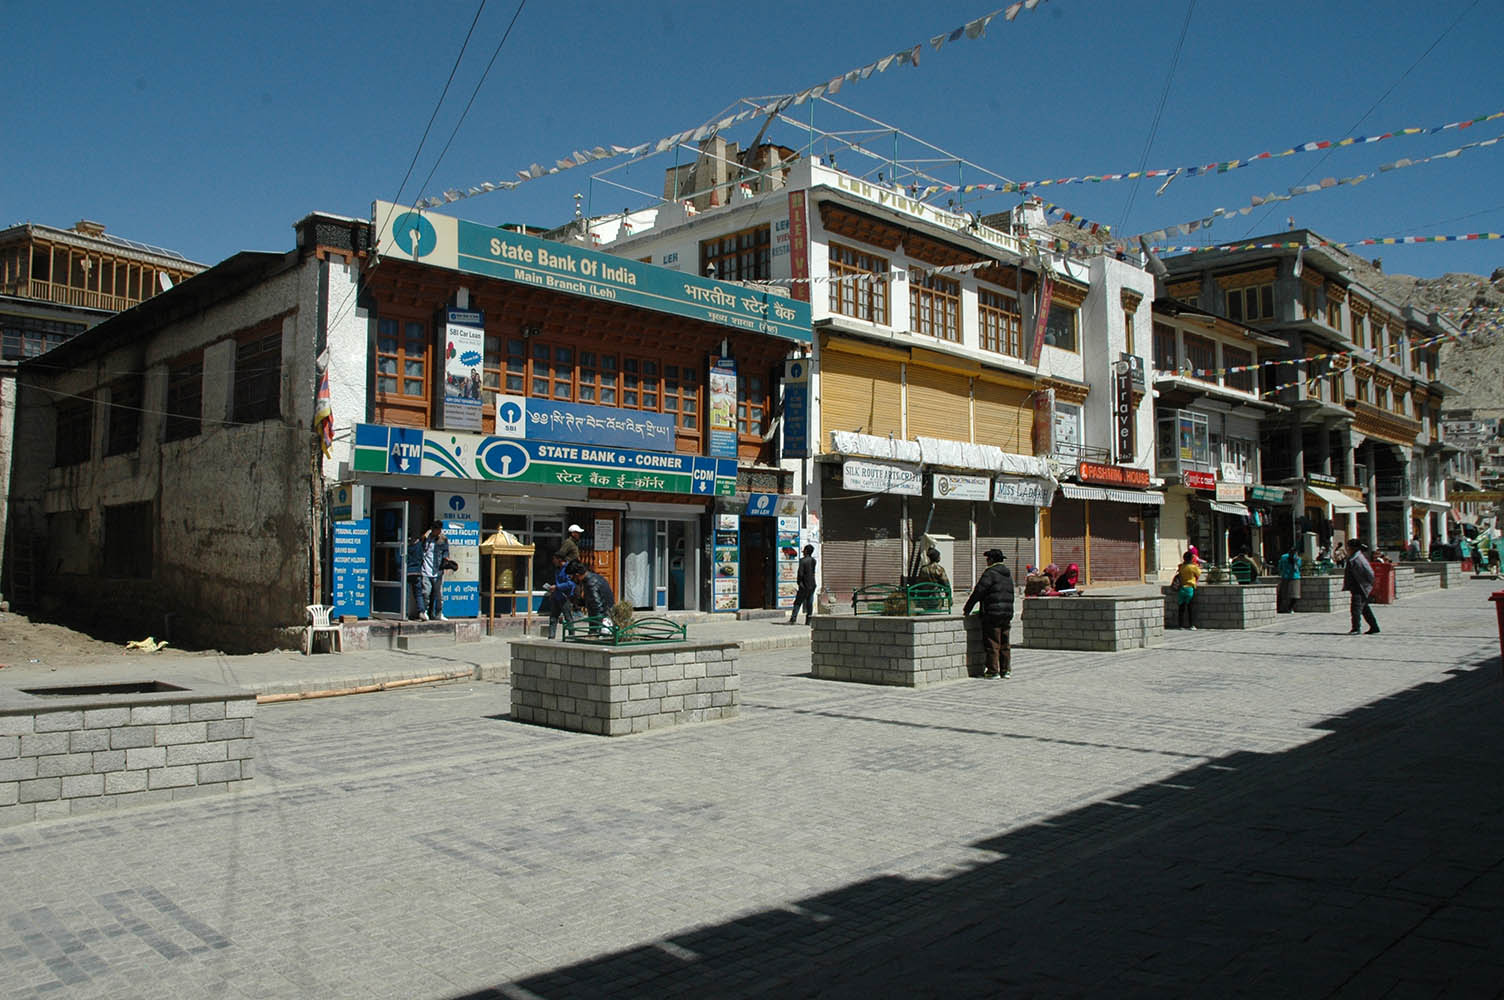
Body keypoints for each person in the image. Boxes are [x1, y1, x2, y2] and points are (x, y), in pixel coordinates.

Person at [962, 549, 1015, 679]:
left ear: (991, 560)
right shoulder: (1007, 574)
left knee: (992, 642)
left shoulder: (990, 573)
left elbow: (979, 591)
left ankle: (993, 671)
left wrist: (967, 609)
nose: (986, 561)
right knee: (1005, 642)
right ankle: (1005, 670)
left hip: (993, 613)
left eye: (987, 559)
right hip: (1007, 613)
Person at [407, 520, 450, 622]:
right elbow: (418, 546)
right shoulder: (426, 539)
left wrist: (446, 559)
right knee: (426, 592)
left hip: (438, 571)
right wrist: (424, 536)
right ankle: (424, 612)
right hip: (426, 570)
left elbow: (446, 551)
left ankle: (439, 613)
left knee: (439, 594)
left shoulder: (443, 539)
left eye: (439, 530)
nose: (438, 532)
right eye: (436, 530)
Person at [1342, 538, 1380, 635]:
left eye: (1348, 547)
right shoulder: (1354, 558)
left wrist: (1368, 585)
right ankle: (1374, 627)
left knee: (1356, 608)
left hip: (1360, 587)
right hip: (1357, 586)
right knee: (1364, 608)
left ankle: (1356, 628)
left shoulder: (1358, 559)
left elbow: (1370, 573)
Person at [566, 559, 615, 634]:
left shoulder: (591, 584)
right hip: (605, 615)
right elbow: (591, 601)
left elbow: (597, 607)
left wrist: (595, 631)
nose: (571, 580)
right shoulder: (594, 578)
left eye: (571, 577)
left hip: (602, 620)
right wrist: (576, 601)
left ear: (577, 575)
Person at [542, 552, 576, 639]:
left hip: (565, 598)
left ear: (559, 559)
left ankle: (571, 636)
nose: (553, 561)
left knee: (568, 617)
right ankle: (551, 636)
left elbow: (571, 584)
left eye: (555, 559)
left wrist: (557, 587)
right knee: (553, 617)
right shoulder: (558, 569)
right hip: (556, 597)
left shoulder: (569, 569)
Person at [789, 544, 817, 625]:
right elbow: (813, 572)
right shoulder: (814, 561)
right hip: (812, 584)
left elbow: (800, 573)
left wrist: (799, 583)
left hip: (804, 585)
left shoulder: (802, 561)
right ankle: (808, 620)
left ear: (806, 551)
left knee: (798, 602)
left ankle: (793, 619)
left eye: (804, 550)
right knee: (809, 603)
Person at [1175, 549, 1201, 630]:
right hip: (1190, 589)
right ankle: (1191, 625)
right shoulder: (1193, 567)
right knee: (1190, 608)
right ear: (1191, 558)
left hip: (1181, 589)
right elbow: (1199, 573)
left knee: (1181, 608)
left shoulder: (1181, 567)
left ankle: (1180, 625)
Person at [1276, 543, 1302, 614]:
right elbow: (1280, 566)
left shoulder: (1297, 558)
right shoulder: (1284, 557)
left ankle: (1288, 608)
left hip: (1293, 577)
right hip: (1288, 577)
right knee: (1285, 594)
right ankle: (1285, 608)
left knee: (1294, 595)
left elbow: (1298, 566)